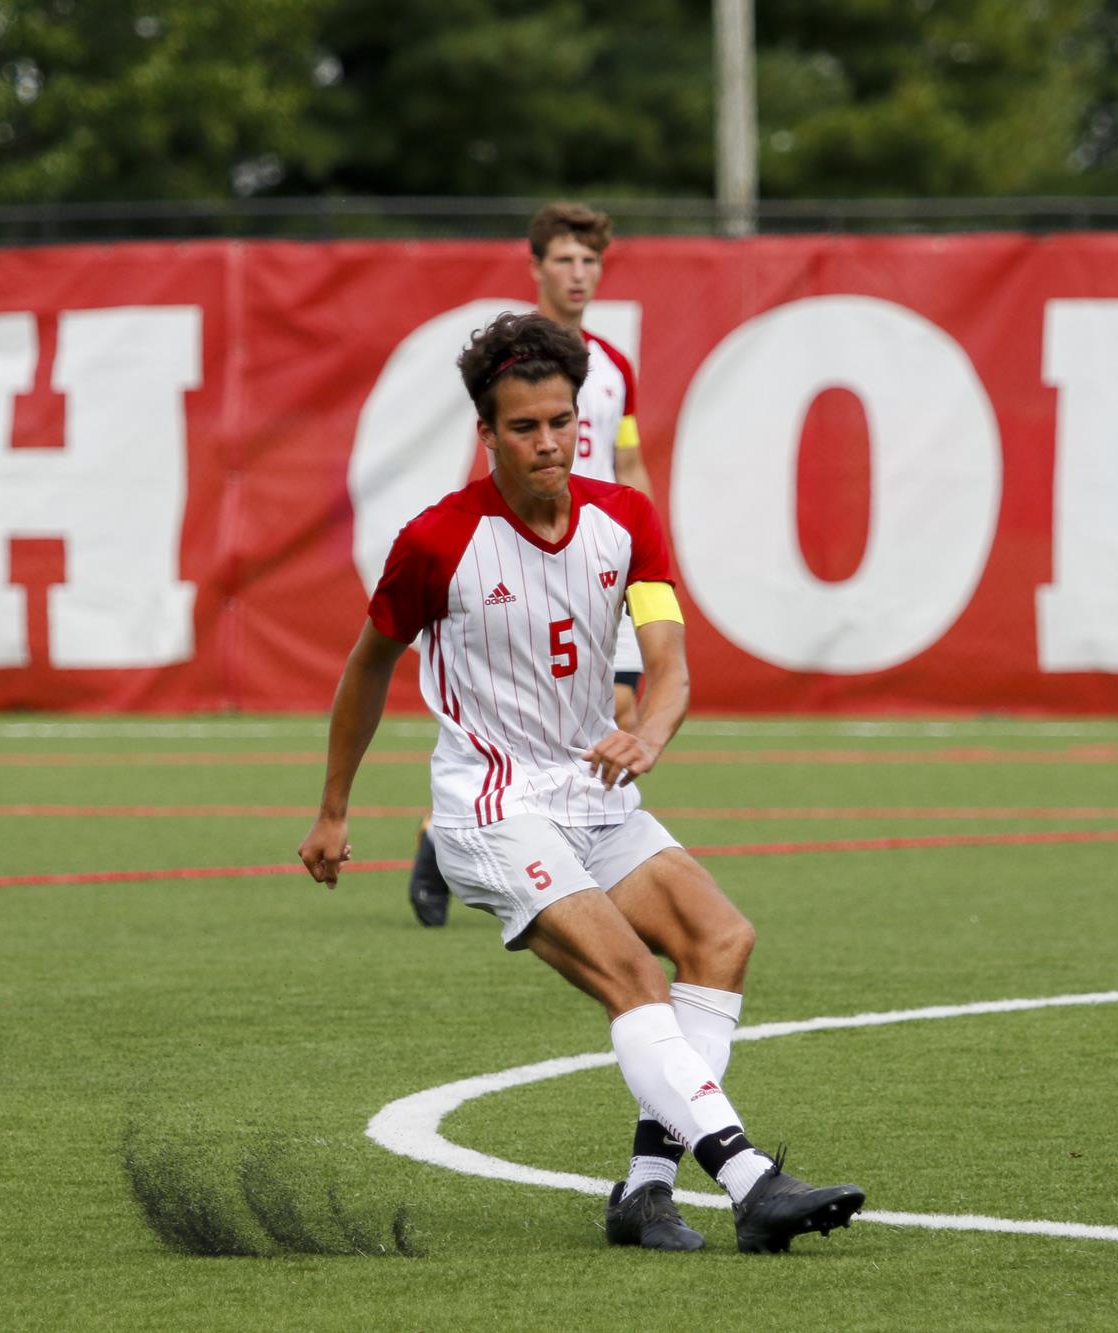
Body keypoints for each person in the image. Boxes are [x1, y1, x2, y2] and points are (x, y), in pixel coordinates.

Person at [299, 312, 864, 1254]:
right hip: (493, 805)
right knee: (634, 976)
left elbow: (670, 664)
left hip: (594, 790)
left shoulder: (627, 519)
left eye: (560, 420)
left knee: (721, 938)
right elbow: (367, 666)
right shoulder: (437, 542)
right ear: (486, 436)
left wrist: (648, 732)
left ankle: (646, 1190)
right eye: (524, 427)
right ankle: (749, 1177)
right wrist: (332, 809)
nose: (549, 442)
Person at [407, 200, 653, 928]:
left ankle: (570, 853)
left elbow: (628, 459)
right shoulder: (514, 361)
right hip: (532, 559)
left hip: (602, 558)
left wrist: (649, 548)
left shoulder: (612, 368)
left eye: (590, 261)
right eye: (565, 260)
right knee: (529, 714)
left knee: (621, 706)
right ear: (537, 267)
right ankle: (452, 834)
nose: (579, 274)